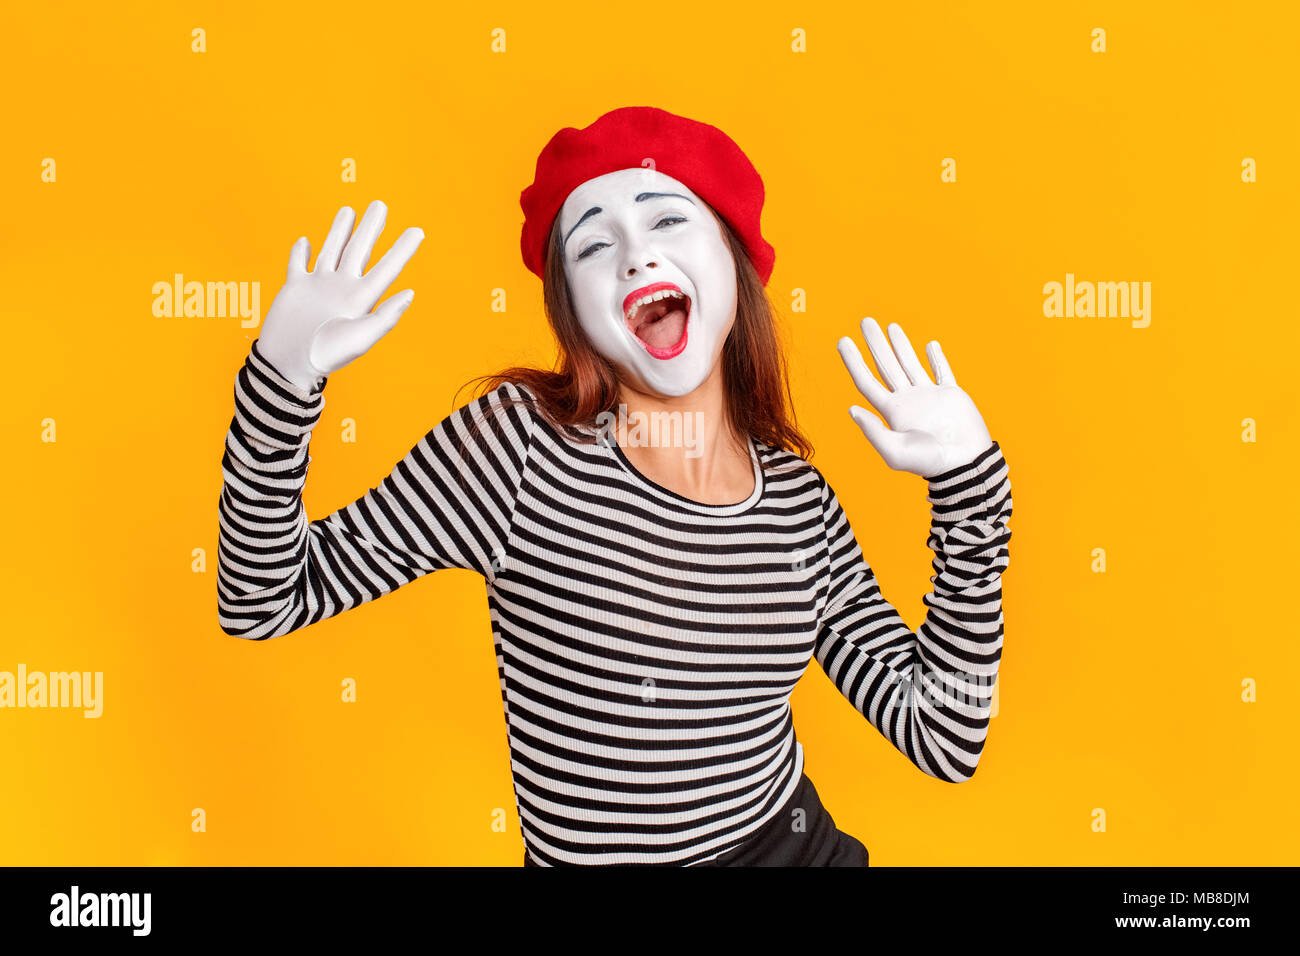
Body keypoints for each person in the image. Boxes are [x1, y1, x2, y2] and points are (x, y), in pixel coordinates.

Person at [217, 106, 1012, 867]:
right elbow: (263, 600)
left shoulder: (800, 504)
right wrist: (282, 381)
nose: (636, 256)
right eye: (593, 246)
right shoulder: (520, 449)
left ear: (734, 261)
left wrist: (972, 497)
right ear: (573, 311)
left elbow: (941, 733)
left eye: (668, 220)